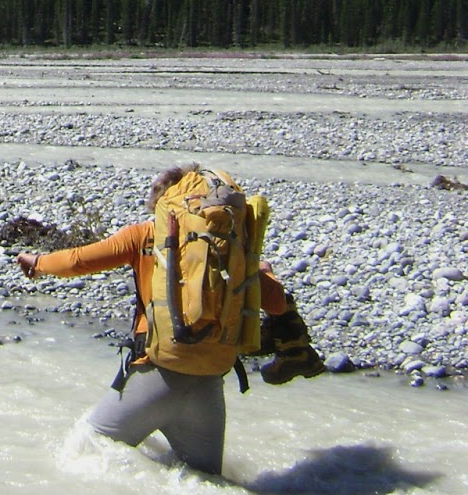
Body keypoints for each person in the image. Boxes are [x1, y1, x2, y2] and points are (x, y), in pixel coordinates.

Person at [16, 165, 323, 475]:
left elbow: (79, 260)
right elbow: (276, 301)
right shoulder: (230, 253)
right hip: (208, 386)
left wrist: (38, 263)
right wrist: (264, 272)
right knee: (206, 484)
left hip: (156, 374)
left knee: (80, 455)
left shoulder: (144, 235)